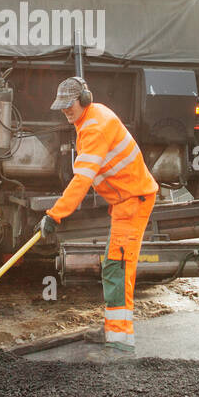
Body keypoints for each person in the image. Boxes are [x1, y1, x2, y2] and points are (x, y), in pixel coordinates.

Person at [40, 76, 157, 351]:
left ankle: (119, 337)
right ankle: (116, 331)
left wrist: (54, 215)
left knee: (118, 265)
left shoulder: (94, 127)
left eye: (70, 105)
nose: (66, 110)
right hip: (126, 201)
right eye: (62, 106)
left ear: (84, 100)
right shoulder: (89, 120)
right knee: (116, 264)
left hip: (133, 200)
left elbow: (81, 180)